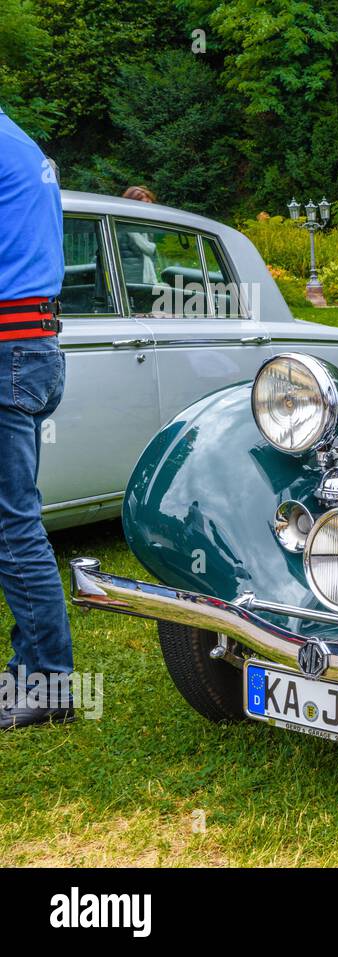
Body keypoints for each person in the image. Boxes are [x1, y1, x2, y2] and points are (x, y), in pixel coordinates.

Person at [0, 108, 76, 729]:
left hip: (8, 348)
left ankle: (48, 683)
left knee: (12, 524)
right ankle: (31, 667)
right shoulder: (20, 142)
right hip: (30, 346)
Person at [119, 185, 158, 285]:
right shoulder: (120, 233)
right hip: (127, 291)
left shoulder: (146, 233)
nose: (149, 211)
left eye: (150, 206)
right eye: (145, 206)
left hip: (143, 290)